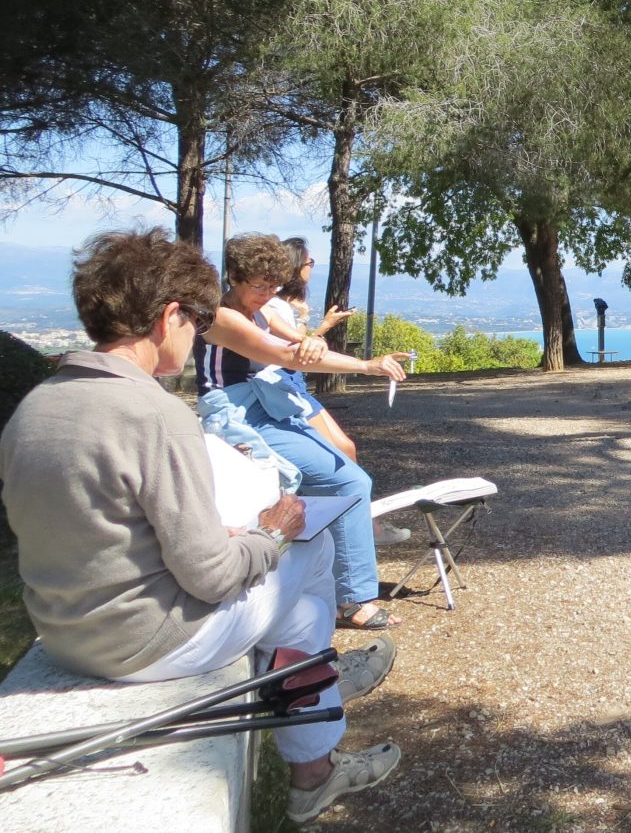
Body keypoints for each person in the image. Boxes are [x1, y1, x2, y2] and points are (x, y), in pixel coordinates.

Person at [0, 229, 400, 823]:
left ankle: (311, 689)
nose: (196, 336)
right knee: (308, 557)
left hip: (64, 630)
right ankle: (314, 766)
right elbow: (211, 576)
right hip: (145, 645)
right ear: (168, 317)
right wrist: (274, 532)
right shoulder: (153, 413)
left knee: (275, 567)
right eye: (195, 322)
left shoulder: (35, 408)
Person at [197, 233, 409, 631]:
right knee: (343, 484)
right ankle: (350, 599)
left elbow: (300, 344)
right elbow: (280, 354)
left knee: (348, 479)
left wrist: (317, 344)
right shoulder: (222, 316)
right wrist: (366, 366)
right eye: (258, 286)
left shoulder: (262, 309)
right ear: (234, 278)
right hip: (235, 415)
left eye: (273, 286)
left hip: (267, 404)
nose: (266, 295)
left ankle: (332, 590)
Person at [265, 238, 408, 547]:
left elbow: (298, 348)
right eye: (309, 263)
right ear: (295, 267)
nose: (312, 268)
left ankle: (366, 523)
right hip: (287, 391)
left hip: (295, 387)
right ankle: (361, 527)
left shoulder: (288, 305)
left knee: (346, 447)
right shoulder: (277, 307)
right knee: (339, 456)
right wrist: (365, 364)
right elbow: (295, 353)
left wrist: (323, 326)